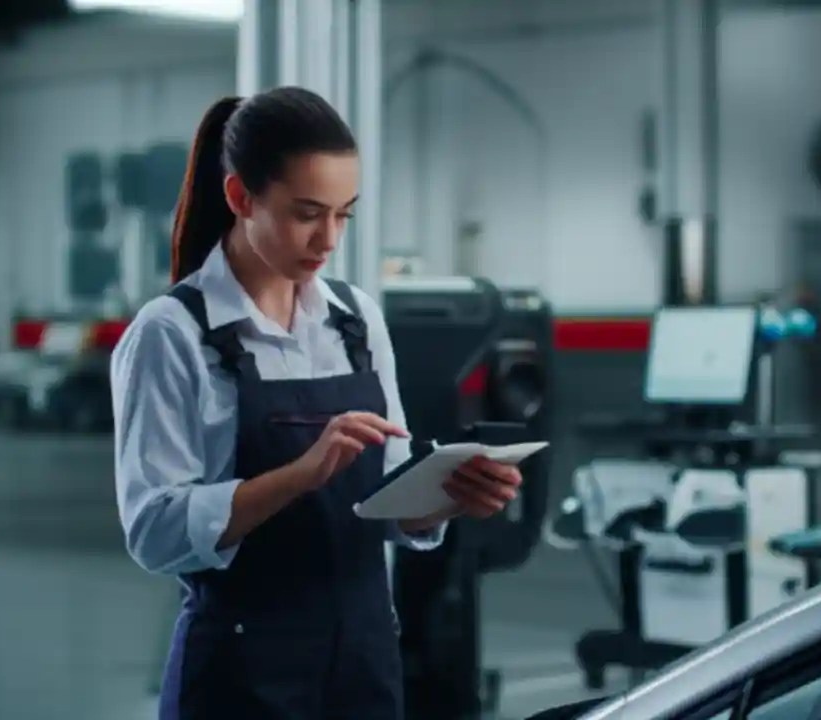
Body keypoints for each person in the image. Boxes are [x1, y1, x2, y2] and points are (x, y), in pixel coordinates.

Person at [110, 86, 523, 720]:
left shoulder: (357, 320)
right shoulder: (171, 334)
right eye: (307, 213)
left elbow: (388, 491)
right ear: (241, 197)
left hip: (363, 663)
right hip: (240, 676)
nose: (328, 238)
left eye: (343, 214)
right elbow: (154, 531)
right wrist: (300, 476)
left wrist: (448, 496)